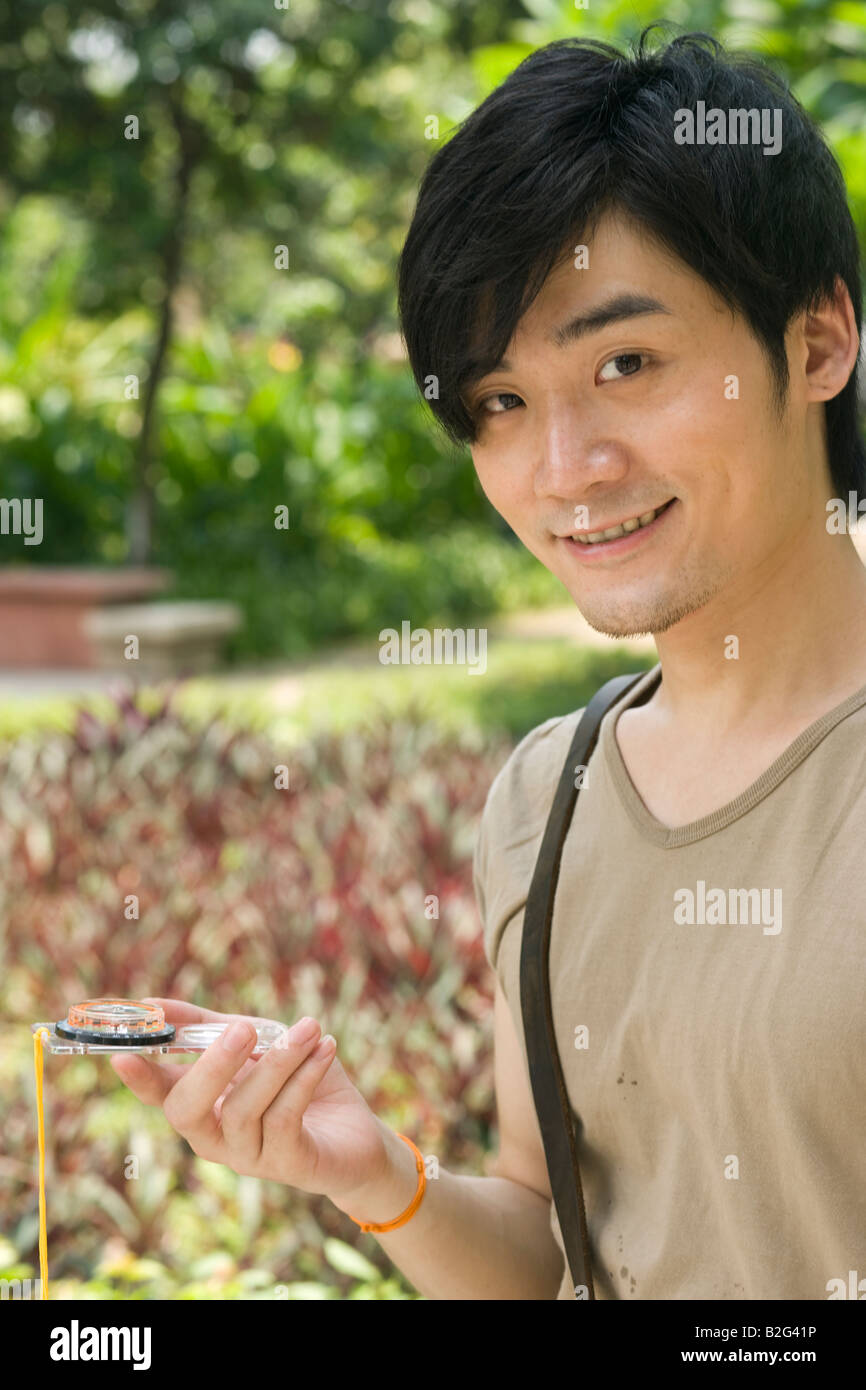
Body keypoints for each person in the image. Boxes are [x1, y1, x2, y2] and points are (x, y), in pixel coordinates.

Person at [111, 26, 866, 1300]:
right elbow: (546, 1245)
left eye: (624, 363)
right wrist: (372, 1174)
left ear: (814, 347)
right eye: (501, 402)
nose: (563, 469)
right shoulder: (544, 799)